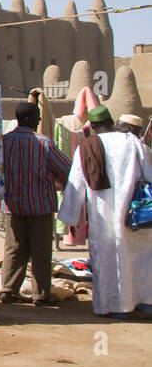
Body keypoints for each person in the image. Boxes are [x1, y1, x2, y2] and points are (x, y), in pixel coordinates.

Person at [59, 106, 152, 318]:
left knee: (108, 262)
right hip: (135, 216)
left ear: (91, 127)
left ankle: (114, 308)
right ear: (111, 121)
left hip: (104, 217)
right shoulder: (134, 143)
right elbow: (149, 175)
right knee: (140, 259)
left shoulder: (87, 147)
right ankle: (145, 302)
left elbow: (75, 184)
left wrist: (71, 217)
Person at [0, 102, 71, 306]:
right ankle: (40, 294)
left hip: (13, 206)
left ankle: (8, 289)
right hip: (39, 206)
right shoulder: (44, 143)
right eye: (38, 117)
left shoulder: (5, 141)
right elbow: (66, 169)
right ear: (30, 119)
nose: (40, 120)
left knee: (14, 249)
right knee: (40, 252)